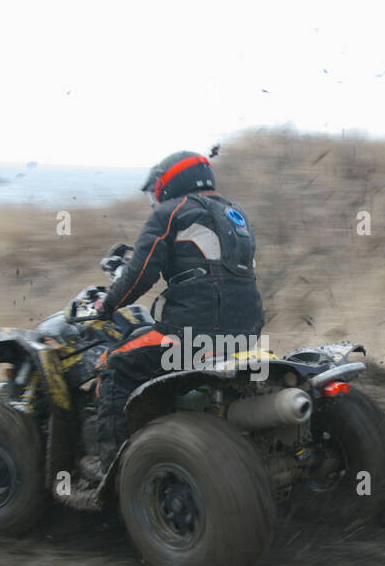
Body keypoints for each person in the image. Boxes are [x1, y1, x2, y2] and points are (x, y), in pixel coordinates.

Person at [93, 150, 265, 473]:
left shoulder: (171, 213)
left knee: (114, 365)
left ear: (170, 182)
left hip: (190, 335)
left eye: (155, 188)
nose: (154, 197)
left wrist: (108, 304)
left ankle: (115, 472)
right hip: (247, 334)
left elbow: (139, 273)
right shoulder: (235, 213)